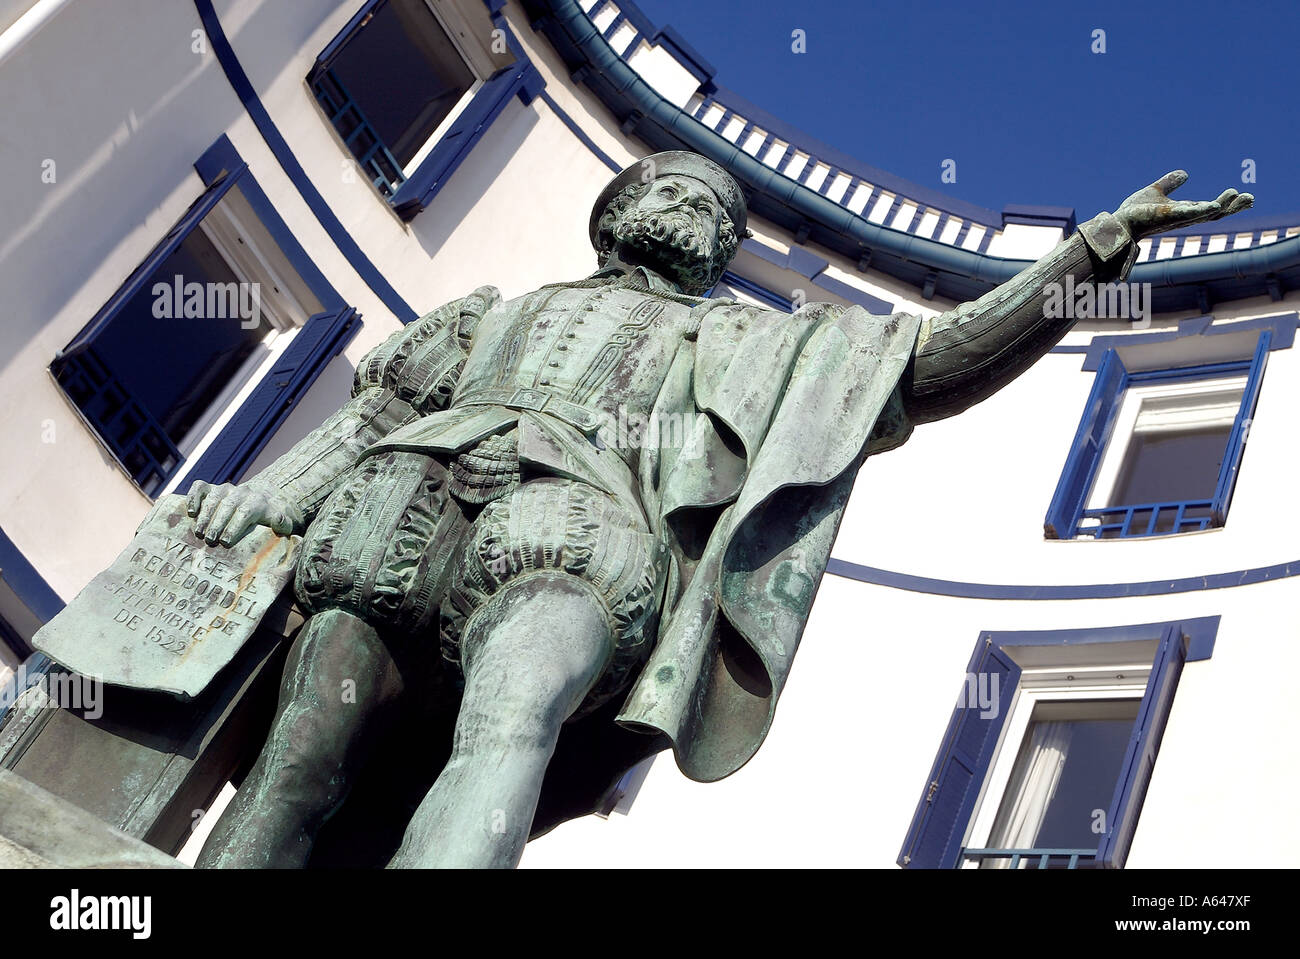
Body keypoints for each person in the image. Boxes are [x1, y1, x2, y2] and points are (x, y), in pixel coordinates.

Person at [190, 152, 1251, 868]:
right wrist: (262, 500)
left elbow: (923, 364)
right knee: (299, 759)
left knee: (507, 729)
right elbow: (372, 413)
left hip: (570, 544)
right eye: (676, 192)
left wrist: (1088, 256)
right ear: (617, 212)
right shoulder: (488, 314)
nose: (697, 213)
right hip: (392, 517)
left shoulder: (749, 339)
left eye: (717, 214)